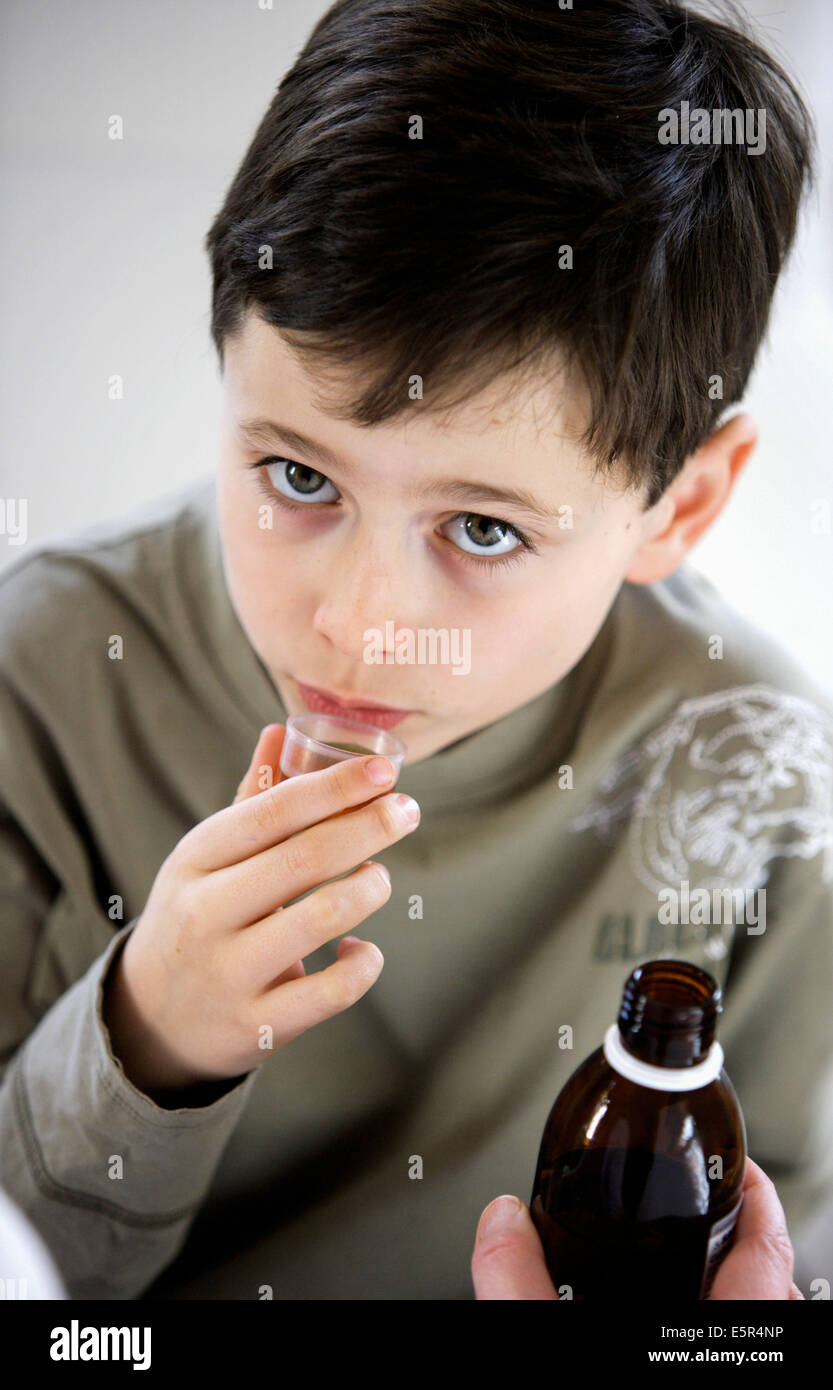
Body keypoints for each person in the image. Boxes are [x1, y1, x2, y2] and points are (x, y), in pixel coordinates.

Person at [1, 0, 831, 1302]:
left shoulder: (768, 777)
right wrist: (145, 1036)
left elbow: (793, 1242)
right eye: (295, 473)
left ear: (678, 507)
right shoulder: (41, 676)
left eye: (484, 528)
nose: (354, 622)